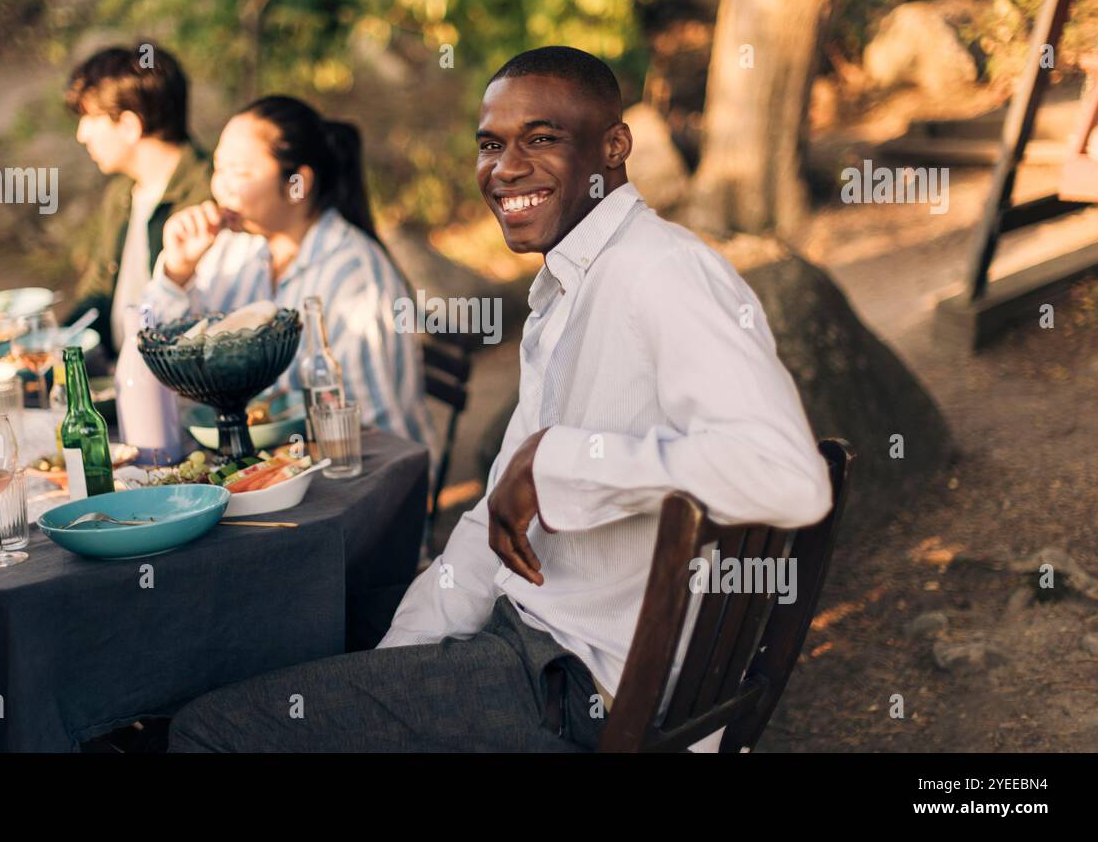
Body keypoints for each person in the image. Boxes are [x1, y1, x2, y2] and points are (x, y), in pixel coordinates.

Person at [166, 47, 833, 753]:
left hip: (574, 690)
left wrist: (563, 462)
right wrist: (390, 671)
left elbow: (787, 474)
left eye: (541, 139)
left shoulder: (661, 272)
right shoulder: (567, 290)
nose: (506, 168)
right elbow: (491, 522)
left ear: (615, 146)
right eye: (491, 144)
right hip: (533, 648)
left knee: (211, 731)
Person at [143, 95, 435, 455]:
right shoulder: (234, 251)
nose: (222, 187)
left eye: (241, 172)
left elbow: (380, 434)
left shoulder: (354, 278)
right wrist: (177, 272)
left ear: (298, 183)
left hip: (353, 479)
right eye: (219, 168)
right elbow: (157, 355)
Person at [63, 44, 212, 359]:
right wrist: (53, 345)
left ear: (130, 125)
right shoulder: (120, 195)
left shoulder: (210, 193)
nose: (81, 134)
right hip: (120, 373)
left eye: (90, 119)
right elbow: (97, 292)